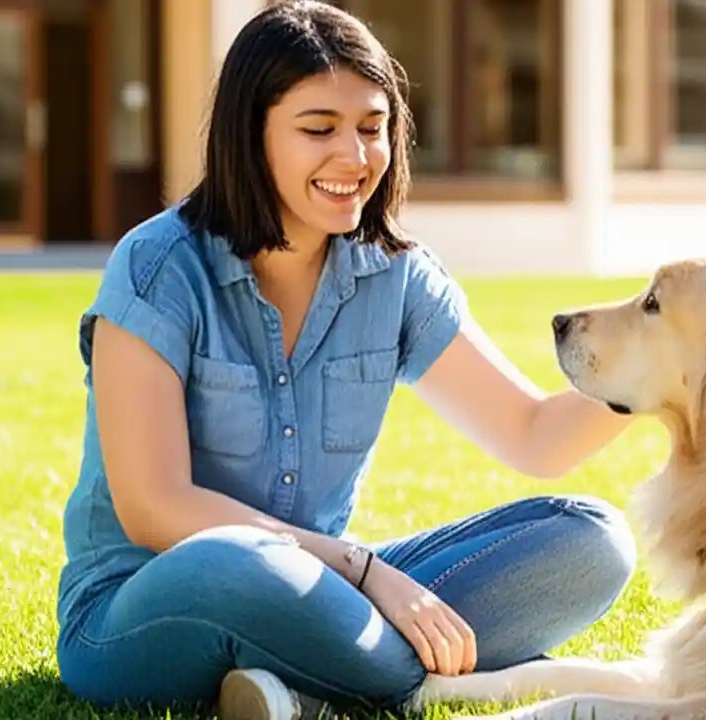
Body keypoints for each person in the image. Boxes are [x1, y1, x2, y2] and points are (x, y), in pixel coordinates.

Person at [54, 2, 637, 718]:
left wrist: (667, 370)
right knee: (236, 561)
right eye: (318, 130)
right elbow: (155, 508)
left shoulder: (395, 276)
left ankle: (305, 687)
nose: (355, 158)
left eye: (372, 128)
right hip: (144, 607)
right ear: (252, 136)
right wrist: (364, 571)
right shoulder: (156, 266)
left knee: (590, 539)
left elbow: (535, 434)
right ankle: (437, 681)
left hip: (325, 593)